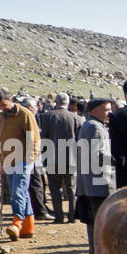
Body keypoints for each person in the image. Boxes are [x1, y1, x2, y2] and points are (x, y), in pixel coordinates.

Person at [75, 97, 116, 254]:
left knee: (94, 225)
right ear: (94, 110)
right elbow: (99, 156)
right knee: (103, 226)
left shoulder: (89, 125)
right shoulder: (95, 127)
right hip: (100, 184)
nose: (109, 112)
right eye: (106, 109)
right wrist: (118, 161)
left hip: (90, 183)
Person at [0, 89, 40, 241]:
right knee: (23, 193)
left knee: (17, 192)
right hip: (9, 161)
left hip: (23, 160)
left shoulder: (25, 114)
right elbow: (2, 140)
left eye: (4, 105)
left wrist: (29, 159)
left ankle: (17, 223)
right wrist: (2, 161)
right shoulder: (2, 117)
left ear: (11, 99)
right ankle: (28, 228)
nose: (2, 108)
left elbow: (33, 138)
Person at [39, 94, 80, 222]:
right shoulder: (76, 118)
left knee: (55, 188)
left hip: (52, 158)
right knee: (71, 188)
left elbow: (44, 138)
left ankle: (59, 216)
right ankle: (72, 216)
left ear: (56, 102)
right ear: (67, 103)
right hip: (71, 159)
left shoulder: (47, 116)